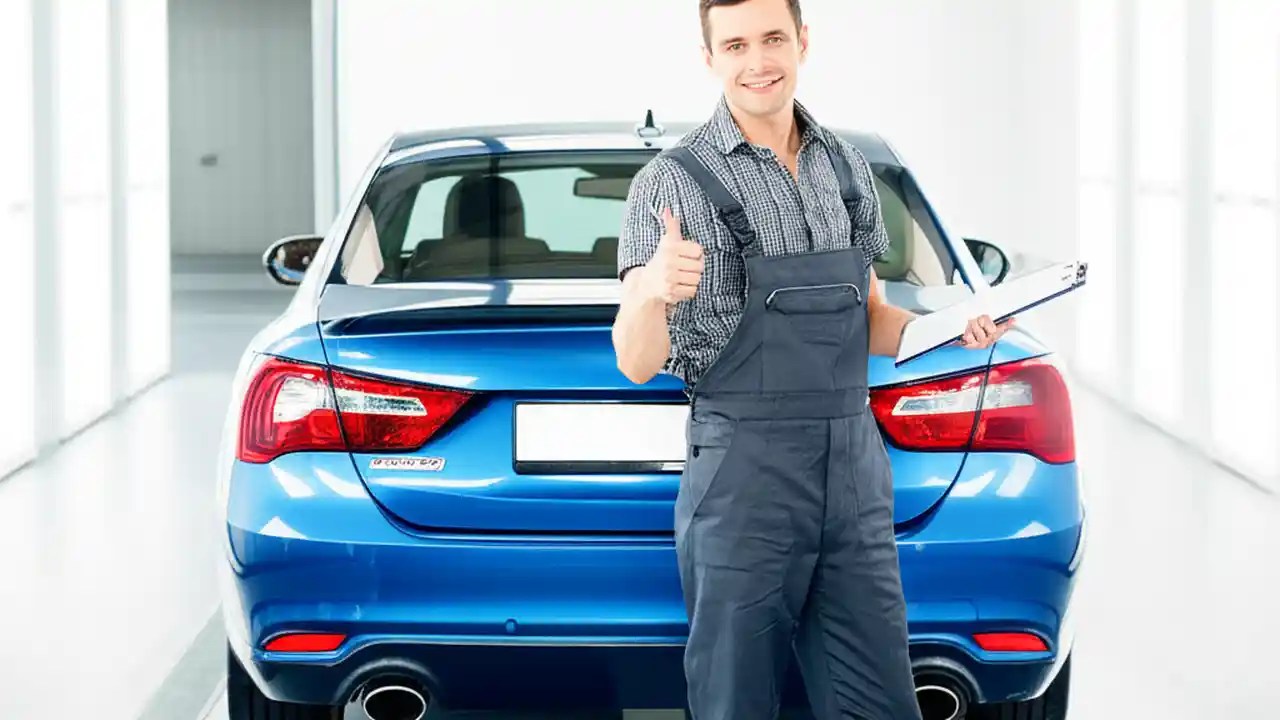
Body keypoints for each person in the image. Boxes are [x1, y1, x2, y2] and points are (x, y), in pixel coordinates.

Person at [611, 0, 1012, 718]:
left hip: (854, 474)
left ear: (803, 41)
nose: (757, 61)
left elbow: (874, 318)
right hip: (743, 479)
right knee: (735, 699)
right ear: (710, 59)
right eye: (735, 45)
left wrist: (948, 326)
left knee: (881, 702)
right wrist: (650, 293)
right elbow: (635, 361)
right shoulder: (671, 185)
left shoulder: (848, 168)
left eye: (771, 39)